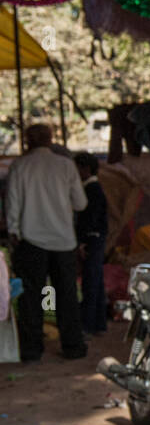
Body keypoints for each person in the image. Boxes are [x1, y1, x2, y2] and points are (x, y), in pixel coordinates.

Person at [4, 124, 87, 361]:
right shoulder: (66, 165)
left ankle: (32, 350)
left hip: (31, 241)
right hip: (64, 240)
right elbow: (80, 204)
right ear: (51, 140)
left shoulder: (20, 166)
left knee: (32, 297)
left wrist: (14, 231)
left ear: (27, 141)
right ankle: (73, 346)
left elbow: (12, 203)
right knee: (67, 294)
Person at [74, 152, 109, 336]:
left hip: (92, 239)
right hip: (95, 238)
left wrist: (84, 242)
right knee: (96, 282)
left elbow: (91, 218)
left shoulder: (92, 190)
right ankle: (98, 323)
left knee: (91, 283)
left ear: (86, 169)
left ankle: (88, 325)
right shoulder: (93, 188)